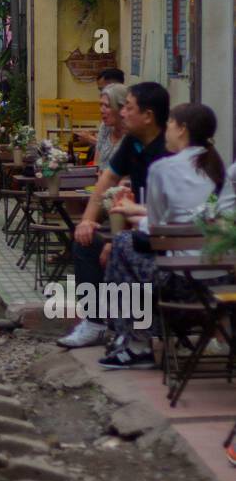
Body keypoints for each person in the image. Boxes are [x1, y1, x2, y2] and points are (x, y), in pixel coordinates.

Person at [99, 104, 227, 370]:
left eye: (169, 124)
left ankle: (136, 343)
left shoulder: (163, 168)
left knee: (122, 244)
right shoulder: (217, 166)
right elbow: (192, 217)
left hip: (183, 284)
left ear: (182, 130)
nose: (166, 130)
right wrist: (138, 213)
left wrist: (133, 214)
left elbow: (155, 230)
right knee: (134, 252)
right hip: (222, 280)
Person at [58, 82, 170, 348]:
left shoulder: (168, 151)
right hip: (140, 228)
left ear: (148, 116)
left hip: (164, 237)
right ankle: (94, 323)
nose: (122, 113)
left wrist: (120, 240)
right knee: (85, 241)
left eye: (128, 108)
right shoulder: (134, 142)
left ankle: (135, 333)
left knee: (115, 248)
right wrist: (87, 220)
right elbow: (107, 178)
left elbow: (166, 212)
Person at [77, 68, 127, 149]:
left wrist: (90, 139)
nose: (101, 110)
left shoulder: (131, 125)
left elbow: (117, 151)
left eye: (103, 89)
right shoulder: (106, 123)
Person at [94, 82, 128, 171]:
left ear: (121, 107)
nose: (101, 110)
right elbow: (96, 164)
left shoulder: (133, 134)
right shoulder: (105, 127)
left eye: (107, 106)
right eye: (100, 105)